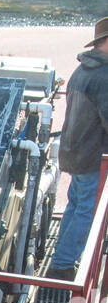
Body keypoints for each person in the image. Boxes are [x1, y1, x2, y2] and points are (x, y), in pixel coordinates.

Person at [49, 16, 108, 278]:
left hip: (73, 151)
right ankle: (62, 266)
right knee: (87, 211)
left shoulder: (83, 69)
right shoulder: (104, 76)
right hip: (92, 155)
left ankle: (60, 260)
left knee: (75, 206)